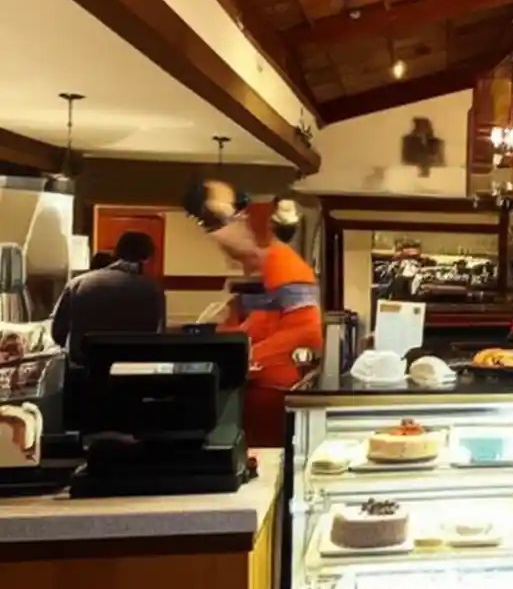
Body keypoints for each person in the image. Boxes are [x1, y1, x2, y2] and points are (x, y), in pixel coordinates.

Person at [188, 182, 323, 446]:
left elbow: (307, 332)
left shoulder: (284, 265)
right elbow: (254, 323)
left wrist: (242, 357)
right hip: (251, 387)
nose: (215, 236)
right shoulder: (257, 270)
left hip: (273, 388)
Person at [51, 232, 166, 366]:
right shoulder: (153, 290)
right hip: (132, 373)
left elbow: (58, 333)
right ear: (146, 260)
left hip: (83, 373)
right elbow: (158, 339)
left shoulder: (77, 284)